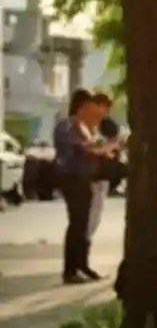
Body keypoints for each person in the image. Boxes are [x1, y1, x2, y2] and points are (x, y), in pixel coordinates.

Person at [53, 89, 113, 284]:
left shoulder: (82, 126)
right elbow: (82, 148)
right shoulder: (67, 125)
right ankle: (70, 270)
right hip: (72, 177)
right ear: (82, 106)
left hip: (84, 178)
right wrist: (101, 150)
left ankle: (81, 265)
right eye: (90, 105)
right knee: (77, 223)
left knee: (83, 224)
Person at [85, 92, 116, 250]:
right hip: (90, 176)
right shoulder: (86, 124)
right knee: (89, 217)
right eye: (104, 107)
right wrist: (107, 148)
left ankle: (85, 249)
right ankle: (82, 250)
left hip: (101, 176)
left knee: (95, 217)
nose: (105, 112)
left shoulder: (106, 124)